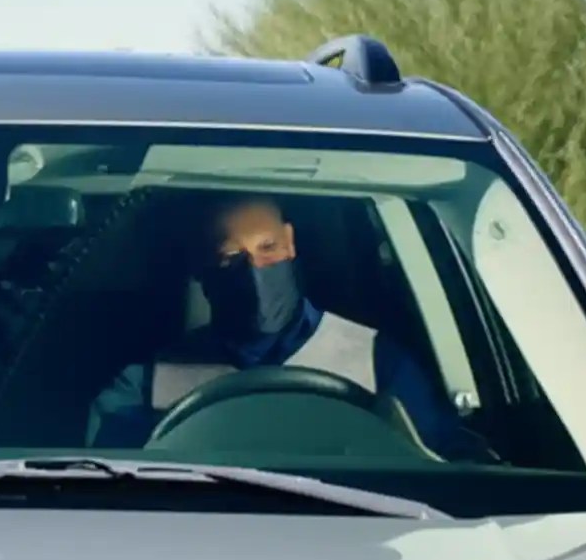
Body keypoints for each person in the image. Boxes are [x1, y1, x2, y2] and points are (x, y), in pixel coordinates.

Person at [88, 194, 493, 461]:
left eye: (268, 249)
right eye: (231, 257)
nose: (255, 271)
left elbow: (443, 470)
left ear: (290, 243)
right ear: (202, 268)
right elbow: (106, 488)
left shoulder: (377, 360)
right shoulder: (146, 383)